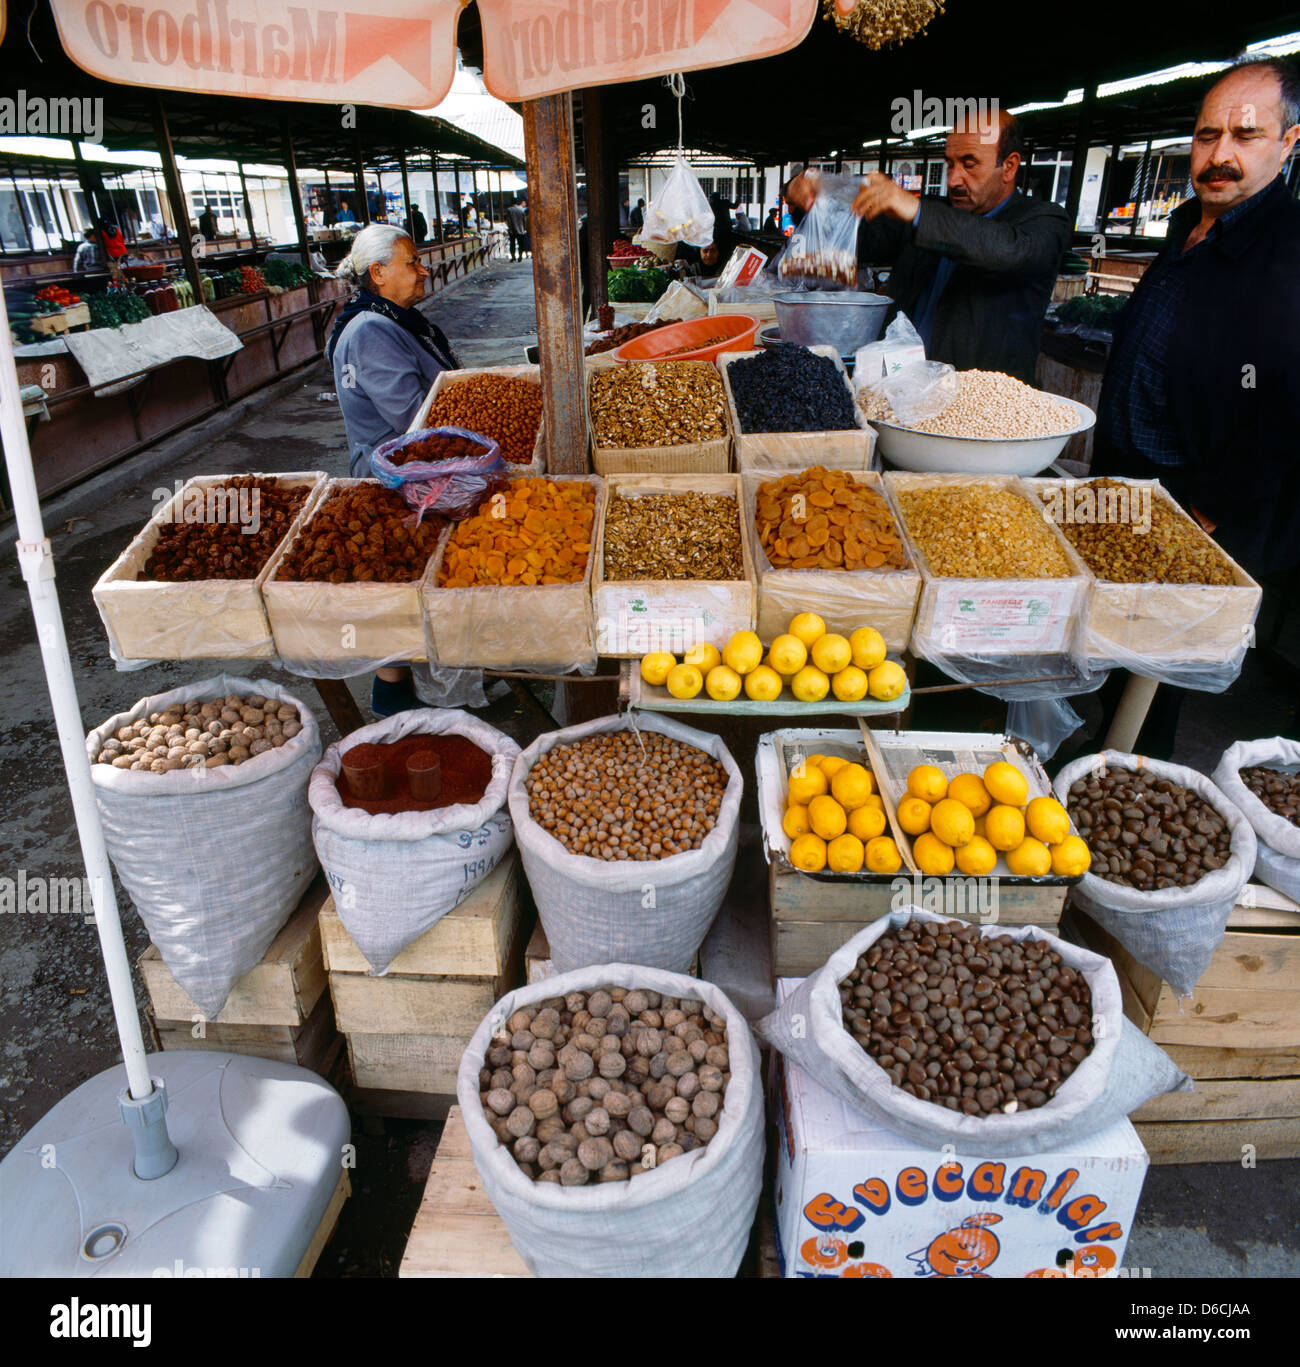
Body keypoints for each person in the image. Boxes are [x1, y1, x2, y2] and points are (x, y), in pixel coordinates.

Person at [1085, 57, 1300, 757]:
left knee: (1161, 665)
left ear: (1289, 142)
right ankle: (1100, 753)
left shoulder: (1284, 251)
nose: (1222, 156)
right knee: (1121, 641)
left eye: (1247, 136)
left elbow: (1284, 404)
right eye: (1208, 136)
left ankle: (1130, 776)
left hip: (1197, 500)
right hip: (1132, 479)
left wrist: (1213, 508)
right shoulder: (1188, 226)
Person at [787, 110, 1070, 384]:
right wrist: (811, 202)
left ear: (1008, 166)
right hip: (897, 388)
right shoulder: (930, 213)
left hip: (975, 406)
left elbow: (1005, 249)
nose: (954, 179)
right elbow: (860, 240)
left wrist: (915, 209)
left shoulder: (1044, 221)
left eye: (969, 164)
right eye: (950, 164)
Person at [327, 223, 461, 716]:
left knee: (406, 591)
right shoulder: (371, 331)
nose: (423, 270)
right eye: (412, 263)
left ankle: (410, 689)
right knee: (403, 590)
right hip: (397, 476)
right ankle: (397, 701)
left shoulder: (392, 319)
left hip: (416, 470)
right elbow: (413, 419)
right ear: (379, 273)